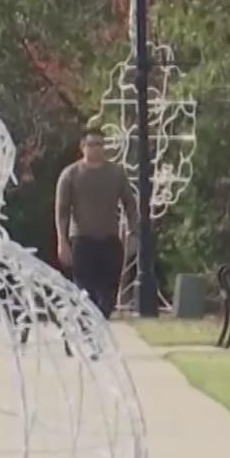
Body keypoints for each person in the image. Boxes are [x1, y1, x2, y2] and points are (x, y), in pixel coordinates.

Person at [54, 128, 137, 319]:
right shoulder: (71, 174)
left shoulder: (116, 173)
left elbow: (130, 205)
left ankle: (99, 324)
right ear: (83, 147)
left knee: (108, 293)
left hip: (109, 239)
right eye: (92, 144)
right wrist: (62, 241)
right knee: (85, 291)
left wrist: (133, 234)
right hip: (82, 241)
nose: (97, 149)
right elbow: (62, 211)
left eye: (101, 144)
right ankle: (86, 330)